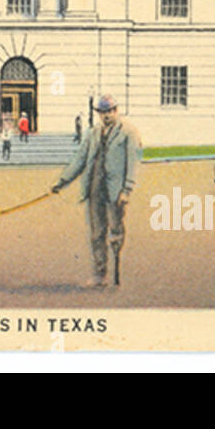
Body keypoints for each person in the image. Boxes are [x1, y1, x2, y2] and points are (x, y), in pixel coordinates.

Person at [51, 95, 143, 288]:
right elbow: (80, 159)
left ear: (116, 111)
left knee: (116, 231)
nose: (107, 115)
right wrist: (62, 181)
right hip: (95, 189)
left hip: (115, 191)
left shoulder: (129, 132)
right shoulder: (92, 133)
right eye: (103, 112)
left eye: (110, 111)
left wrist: (127, 190)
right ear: (99, 114)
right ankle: (100, 274)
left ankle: (116, 264)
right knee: (96, 233)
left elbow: (133, 163)